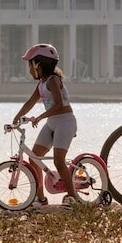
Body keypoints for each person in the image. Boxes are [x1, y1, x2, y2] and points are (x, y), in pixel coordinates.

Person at [12, 43, 79, 206]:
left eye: (30, 65)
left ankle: (72, 198)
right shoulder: (41, 83)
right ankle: (40, 198)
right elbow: (30, 102)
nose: (29, 70)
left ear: (38, 65)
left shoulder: (53, 80)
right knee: (34, 157)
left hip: (65, 122)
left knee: (58, 160)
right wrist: (17, 117)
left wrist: (40, 117)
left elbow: (59, 105)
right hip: (52, 123)